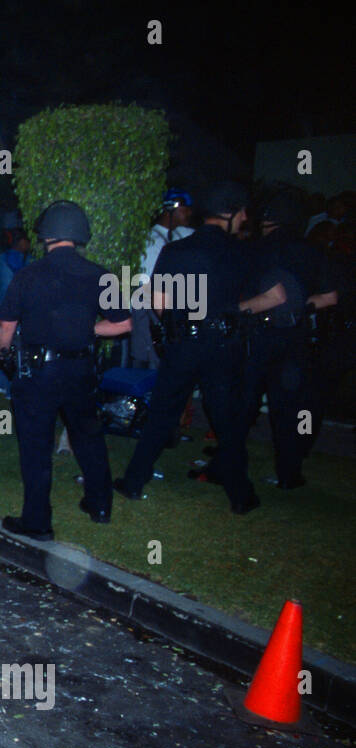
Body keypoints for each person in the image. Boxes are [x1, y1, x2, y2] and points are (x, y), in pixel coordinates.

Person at [116, 181, 286, 514]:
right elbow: (276, 297)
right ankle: (241, 496)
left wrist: (182, 320)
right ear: (234, 212)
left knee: (162, 414)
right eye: (243, 213)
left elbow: (159, 301)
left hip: (185, 344)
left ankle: (134, 482)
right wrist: (232, 313)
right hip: (224, 344)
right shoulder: (245, 253)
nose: (245, 220)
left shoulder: (178, 250)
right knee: (227, 421)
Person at [0, 202, 131, 540]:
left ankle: (38, 522)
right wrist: (89, 332)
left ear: (46, 235)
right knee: (89, 437)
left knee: (36, 446)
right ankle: (100, 505)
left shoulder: (28, 275)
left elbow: (5, 326)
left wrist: (4, 356)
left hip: (38, 371)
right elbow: (124, 324)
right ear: (79, 235)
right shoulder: (102, 275)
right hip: (81, 368)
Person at [204, 187, 339, 490]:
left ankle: (224, 466)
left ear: (268, 219)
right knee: (288, 409)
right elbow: (330, 298)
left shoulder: (256, 249)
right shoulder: (313, 251)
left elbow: (248, 292)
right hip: (295, 338)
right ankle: (289, 474)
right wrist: (299, 306)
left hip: (258, 335)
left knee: (243, 405)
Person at [131, 189, 195, 369]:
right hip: (152, 318)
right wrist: (169, 322)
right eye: (185, 208)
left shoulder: (177, 235)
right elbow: (148, 289)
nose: (189, 213)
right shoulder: (152, 241)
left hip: (166, 315)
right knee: (153, 371)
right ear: (171, 209)